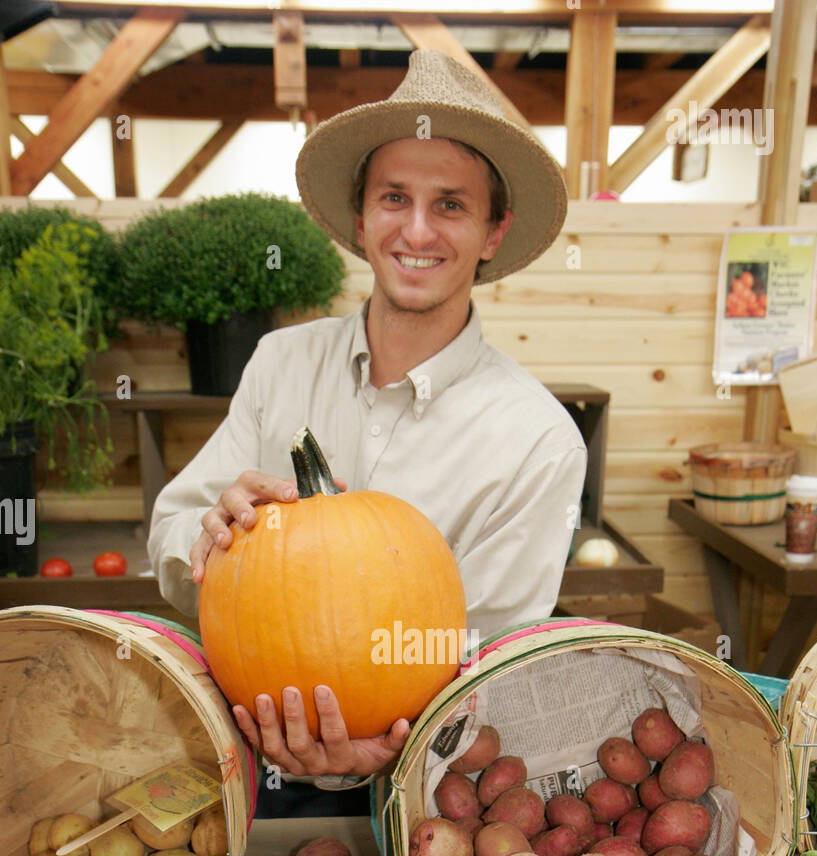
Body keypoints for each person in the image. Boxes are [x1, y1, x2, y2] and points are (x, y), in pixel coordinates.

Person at [147, 50, 587, 814]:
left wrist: (365, 755)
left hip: (416, 792)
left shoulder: (538, 440)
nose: (416, 230)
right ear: (360, 219)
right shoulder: (280, 364)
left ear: (492, 231)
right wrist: (208, 540)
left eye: (450, 204)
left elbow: (481, 664)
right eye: (394, 197)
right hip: (243, 752)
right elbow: (171, 534)